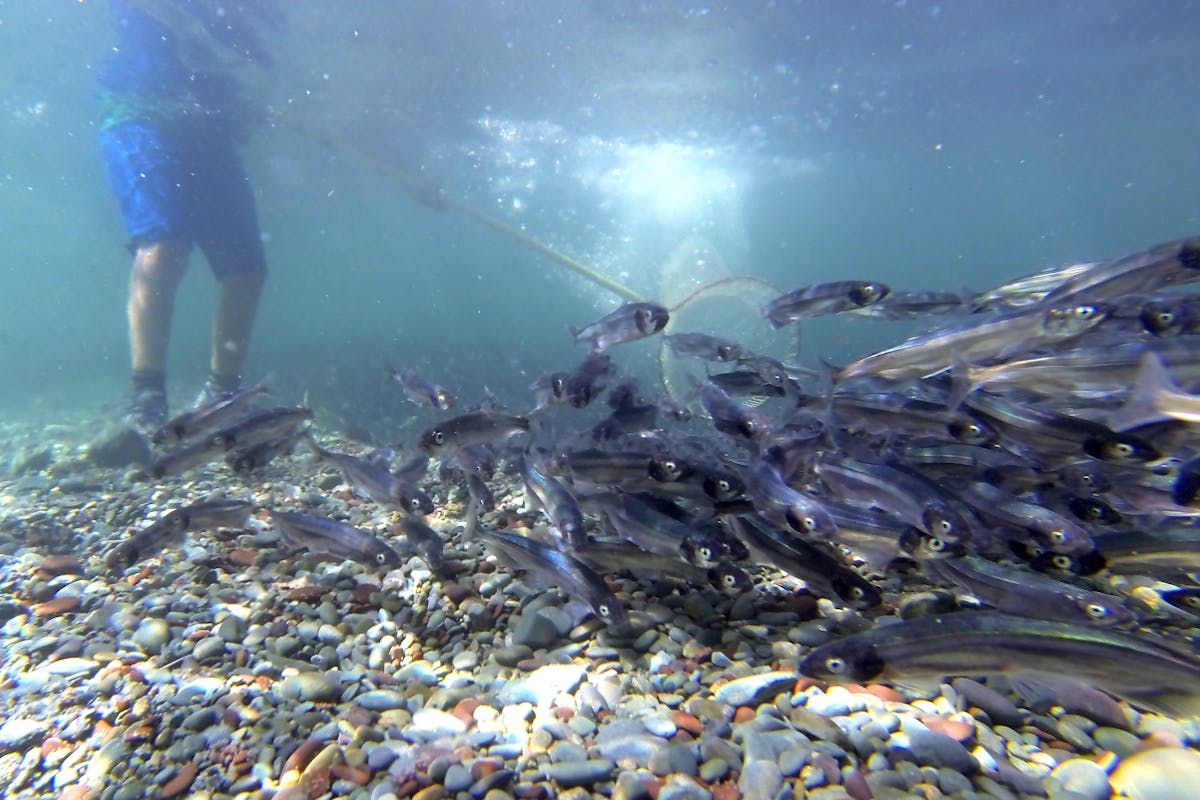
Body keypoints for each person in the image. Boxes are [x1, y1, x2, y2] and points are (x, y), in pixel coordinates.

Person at [97, 0, 274, 435]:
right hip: (136, 113)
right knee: (164, 246)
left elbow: (257, 65)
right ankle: (147, 394)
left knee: (246, 269)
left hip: (209, 130)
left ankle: (223, 393)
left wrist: (248, 102)